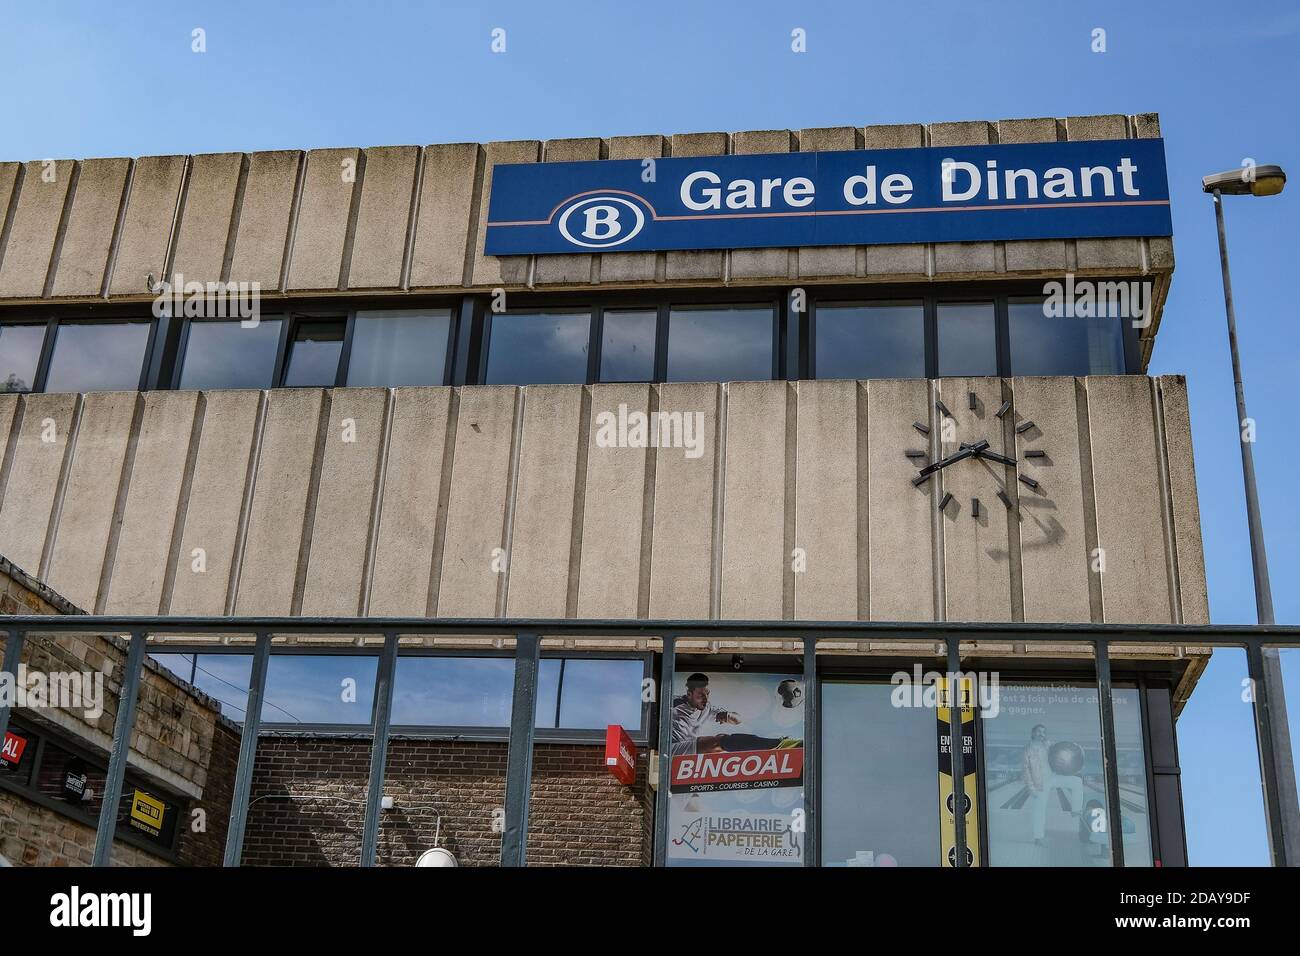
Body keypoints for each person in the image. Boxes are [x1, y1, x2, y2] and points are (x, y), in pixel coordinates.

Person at [670, 673, 801, 756]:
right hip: (670, 749)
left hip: (686, 751)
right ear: (689, 695)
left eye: (707, 694)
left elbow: (737, 719)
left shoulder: (706, 707)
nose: (705, 699)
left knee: (722, 739)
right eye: (700, 696)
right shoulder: (674, 705)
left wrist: (729, 716)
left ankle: (776, 744)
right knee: (717, 742)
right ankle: (777, 744)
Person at [1022, 723, 1084, 846]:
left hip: (1053, 777)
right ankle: (1038, 838)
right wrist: (1031, 788)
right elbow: (1026, 770)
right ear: (1033, 733)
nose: (1041, 734)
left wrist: (1078, 749)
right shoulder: (1028, 750)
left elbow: (1063, 749)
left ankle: (1076, 810)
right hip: (1040, 783)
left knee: (1077, 782)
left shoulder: (1048, 745)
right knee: (1039, 811)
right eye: (1039, 731)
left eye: (1043, 732)